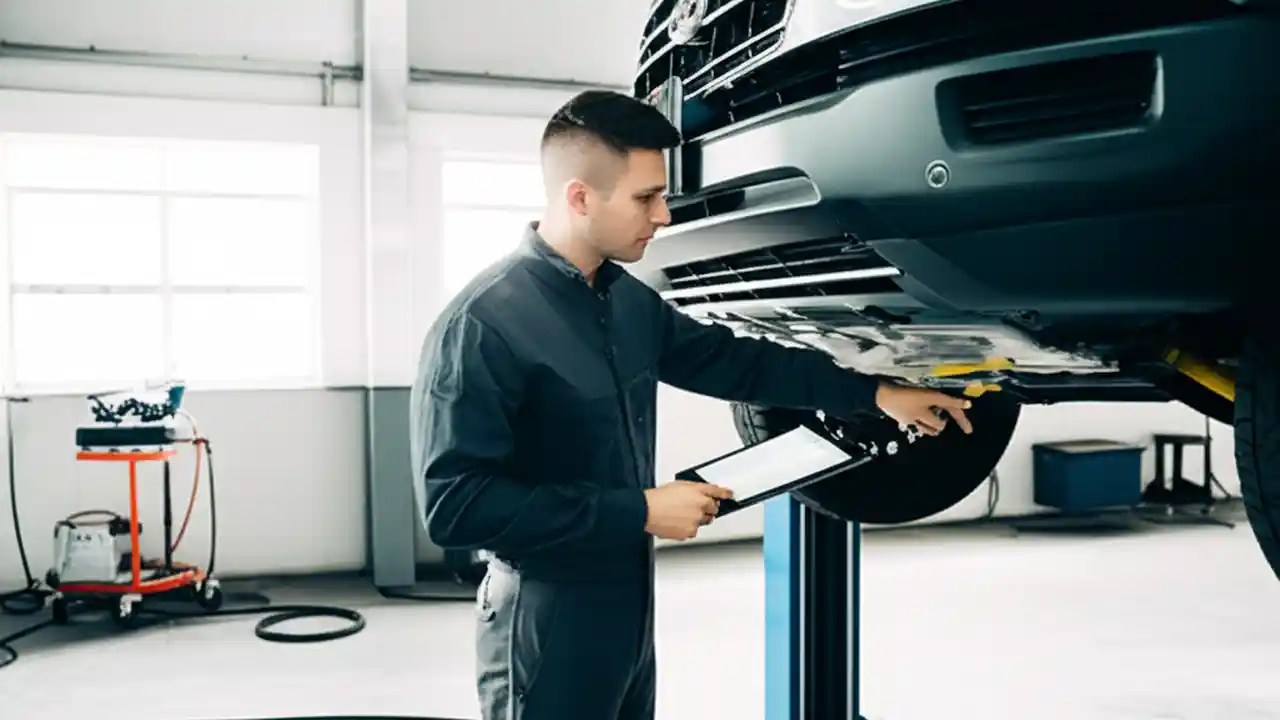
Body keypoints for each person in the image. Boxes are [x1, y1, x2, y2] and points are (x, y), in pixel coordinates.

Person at [409, 90, 974, 720]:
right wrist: (639, 510)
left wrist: (874, 393)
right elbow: (455, 508)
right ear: (579, 197)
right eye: (646, 198)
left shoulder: (626, 301)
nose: (665, 216)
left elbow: (738, 362)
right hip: (543, 618)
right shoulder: (481, 325)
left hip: (627, 605)